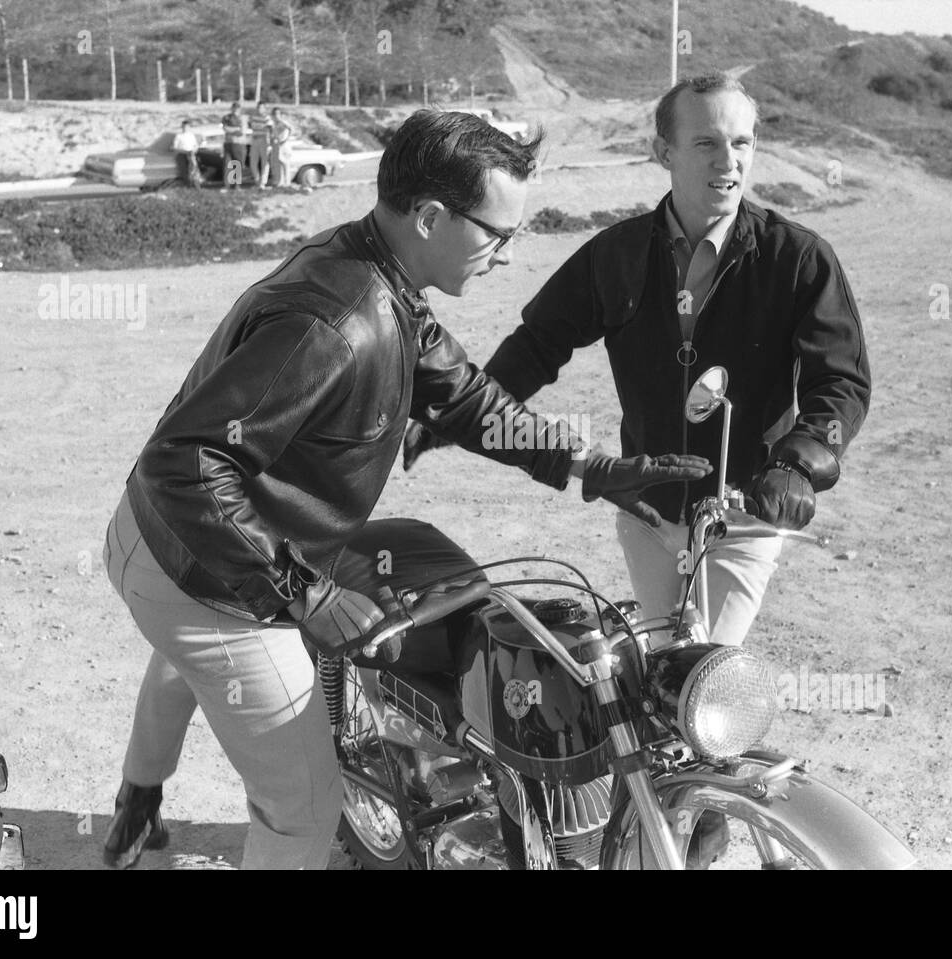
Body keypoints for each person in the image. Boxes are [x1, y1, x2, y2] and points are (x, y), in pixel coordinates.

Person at [100, 109, 710, 870]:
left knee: (177, 665)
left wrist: (589, 468)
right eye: (498, 234)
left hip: (162, 540)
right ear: (429, 216)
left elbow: (467, 400)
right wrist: (302, 591)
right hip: (203, 576)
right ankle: (147, 815)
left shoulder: (381, 273)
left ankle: (135, 809)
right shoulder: (338, 322)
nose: (505, 255)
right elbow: (186, 462)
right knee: (301, 812)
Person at [404, 75, 871, 650]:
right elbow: (538, 344)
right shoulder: (615, 254)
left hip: (743, 515)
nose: (729, 160)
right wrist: (452, 417)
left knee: (701, 672)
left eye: (742, 143)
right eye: (707, 143)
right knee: (660, 680)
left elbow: (840, 380)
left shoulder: (798, 259)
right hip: (646, 510)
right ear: (664, 152)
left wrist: (802, 463)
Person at [220, 101, 248, 191]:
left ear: (240, 109)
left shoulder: (243, 118)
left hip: (239, 144)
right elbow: (225, 128)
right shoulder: (226, 117)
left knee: (238, 164)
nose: (235, 109)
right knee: (228, 164)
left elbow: (242, 132)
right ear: (231, 108)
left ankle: (237, 185)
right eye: (234, 107)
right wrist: (236, 129)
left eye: (237, 108)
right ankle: (227, 185)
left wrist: (230, 129)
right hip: (228, 143)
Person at [249, 101, 273, 188]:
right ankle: (257, 180)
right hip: (255, 140)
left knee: (264, 163)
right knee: (253, 162)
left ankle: (263, 183)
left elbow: (270, 130)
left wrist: (270, 144)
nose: (260, 109)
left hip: (264, 141)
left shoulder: (267, 118)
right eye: (258, 107)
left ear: (265, 109)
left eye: (262, 107)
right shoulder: (253, 117)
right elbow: (250, 126)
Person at [269, 107, 294, 189]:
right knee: (279, 164)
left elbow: (291, 129)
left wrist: (287, 138)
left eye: (277, 114)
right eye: (274, 114)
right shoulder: (274, 124)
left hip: (285, 145)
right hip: (278, 145)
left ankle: (287, 183)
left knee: (285, 164)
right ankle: (281, 183)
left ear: (280, 115)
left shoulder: (283, 122)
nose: (276, 116)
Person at [171, 120, 200, 189]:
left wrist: (194, 150)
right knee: (184, 170)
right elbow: (175, 147)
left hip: (191, 154)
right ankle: (187, 185)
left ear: (189, 127)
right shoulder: (179, 136)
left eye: (187, 127)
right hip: (182, 154)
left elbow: (195, 145)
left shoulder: (191, 135)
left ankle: (195, 185)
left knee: (193, 170)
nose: (185, 128)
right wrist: (184, 152)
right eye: (183, 127)